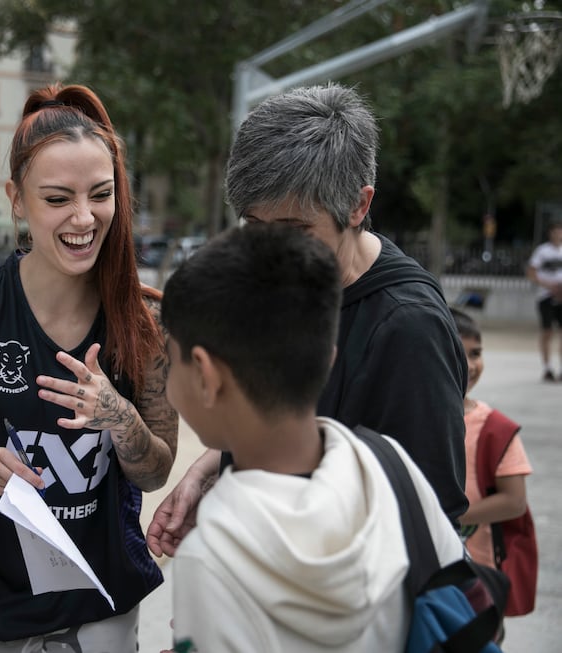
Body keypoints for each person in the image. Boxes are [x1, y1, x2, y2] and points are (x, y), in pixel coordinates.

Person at [147, 83, 468, 558]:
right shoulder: (270, 284)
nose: (271, 252)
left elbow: (427, 519)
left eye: (296, 231)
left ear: (359, 206)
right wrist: (213, 467)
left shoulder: (407, 330)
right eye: (255, 227)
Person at [0, 83, 178, 651]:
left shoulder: (146, 318)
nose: (84, 218)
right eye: (58, 198)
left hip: (100, 604)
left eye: (101, 194)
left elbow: (156, 471)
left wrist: (121, 418)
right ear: (16, 198)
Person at [161, 223, 465, 651]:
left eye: (170, 362)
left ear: (206, 376)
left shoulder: (212, 557)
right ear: (328, 357)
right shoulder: (393, 468)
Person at [451, 307, 536, 622]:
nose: (472, 365)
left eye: (477, 353)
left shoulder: (495, 428)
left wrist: (448, 518)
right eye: (462, 354)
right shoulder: (411, 419)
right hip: (427, 569)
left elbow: (514, 501)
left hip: (482, 575)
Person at [525, 219, 562, 381]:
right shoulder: (542, 251)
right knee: (547, 331)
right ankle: (547, 367)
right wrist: (548, 285)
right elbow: (532, 273)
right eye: (556, 231)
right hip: (545, 296)